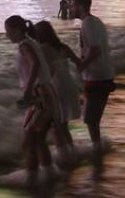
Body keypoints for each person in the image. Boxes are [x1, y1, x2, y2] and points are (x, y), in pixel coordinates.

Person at [4, 15, 58, 186]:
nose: (7, 35)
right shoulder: (32, 43)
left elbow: (35, 64)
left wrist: (28, 89)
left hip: (38, 95)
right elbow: (44, 67)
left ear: (18, 30)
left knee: (29, 142)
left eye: (8, 31)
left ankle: (32, 180)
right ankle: (49, 176)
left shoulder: (25, 45)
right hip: (46, 92)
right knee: (39, 140)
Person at [72, 0, 115, 165]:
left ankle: (97, 151)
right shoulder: (96, 22)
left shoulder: (88, 24)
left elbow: (95, 50)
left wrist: (82, 65)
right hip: (103, 74)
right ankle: (98, 148)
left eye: (73, 5)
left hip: (96, 76)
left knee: (90, 118)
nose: (70, 8)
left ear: (81, 6)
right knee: (92, 118)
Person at [30, 20, 82, 164]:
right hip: (69, 85)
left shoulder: (42, 49)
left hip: (56, 87)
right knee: (62, 123)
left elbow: (49, 73)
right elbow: (78, 62)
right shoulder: (62, 47)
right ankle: (71, 151)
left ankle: (63, 157)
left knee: (55, 124)